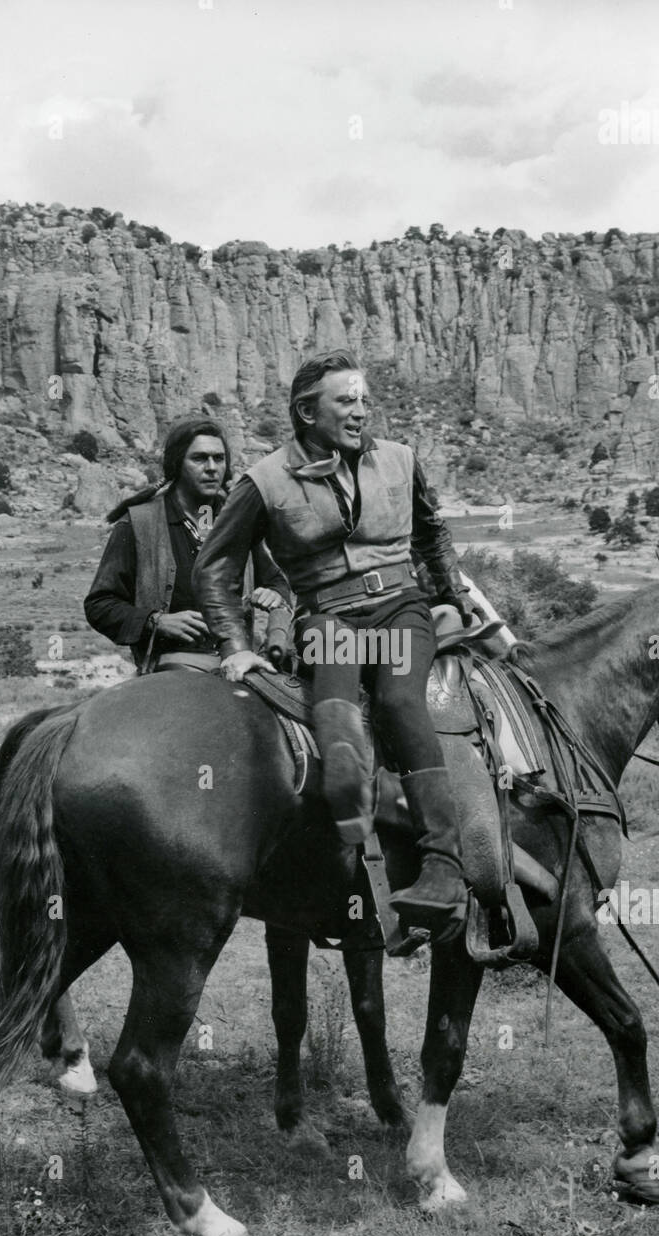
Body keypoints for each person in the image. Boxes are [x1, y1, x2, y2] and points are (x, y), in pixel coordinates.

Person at [193, 349, 482, 945]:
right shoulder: (263, 481)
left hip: (402, 606)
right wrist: (234, 645)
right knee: (336, 705)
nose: (359, 411)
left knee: (402, 700)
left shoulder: (401, 460)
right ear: (306, 411)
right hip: (327, 617)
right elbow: (214, 567)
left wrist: (456, 594)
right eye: (345, 401)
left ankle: (443, 866)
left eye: (363, 401)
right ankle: (349, 804)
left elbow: (433, 535)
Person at [84, 416, 288, 673]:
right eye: (200, 458)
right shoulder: (139, 523)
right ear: (177, 463)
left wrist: (272, 592)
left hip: (239, 659)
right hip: (170, 664)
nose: (212, 467)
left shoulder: (241, 522)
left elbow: (277, 583)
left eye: (219, 458)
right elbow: (99, 605)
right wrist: (156, 621)